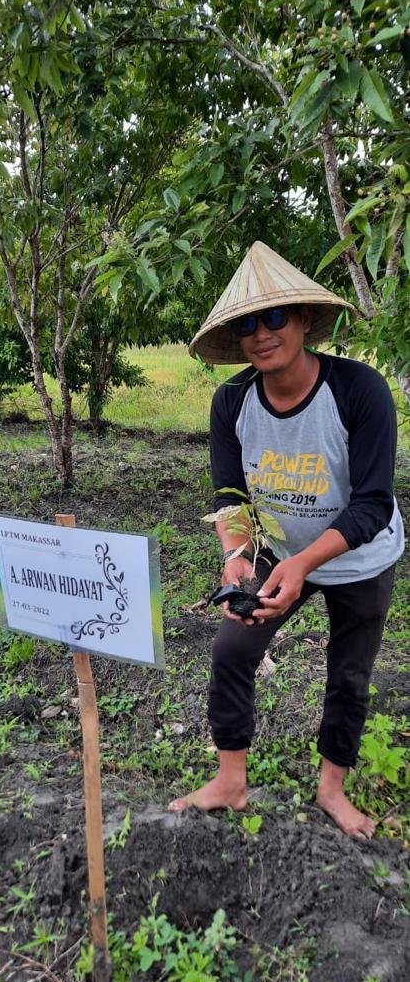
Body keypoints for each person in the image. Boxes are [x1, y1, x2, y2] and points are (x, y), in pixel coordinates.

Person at [168, 241, 404, 838]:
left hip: (361, 557)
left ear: (302, 320)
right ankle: (230, 781)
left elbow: (373, 505)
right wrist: (236, 556)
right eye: (247, 324)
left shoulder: (359, 391)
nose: (261, 333)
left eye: (274, 317)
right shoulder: (232, 402)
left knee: (349, 675)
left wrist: (303, 563)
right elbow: (230, 495)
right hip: (276, 547)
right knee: (231, 652)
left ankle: (331, 790)